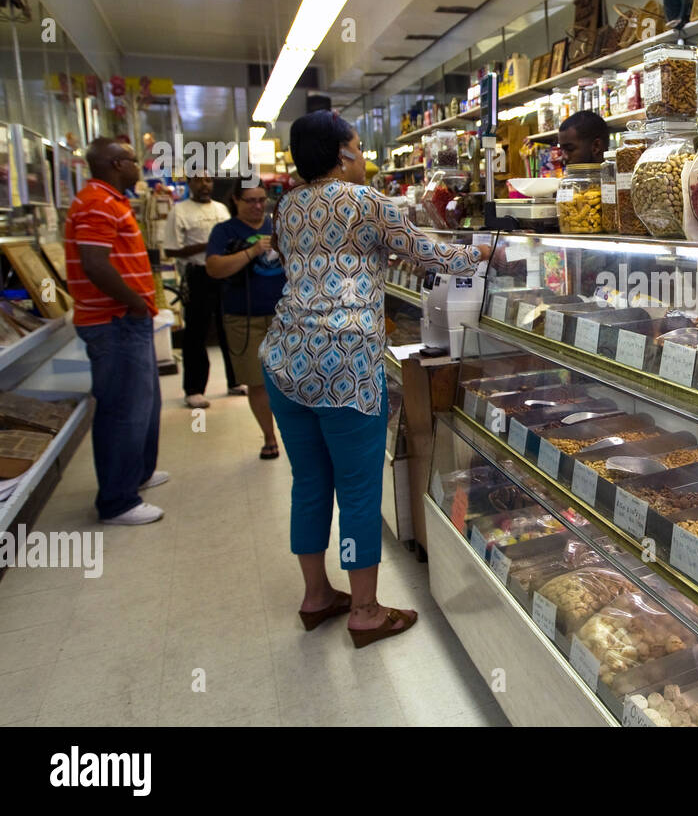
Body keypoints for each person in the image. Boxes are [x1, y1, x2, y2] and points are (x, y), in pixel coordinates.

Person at [261, 111, 491, 646]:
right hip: (343, 362)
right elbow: (428, 255)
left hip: (285, 358)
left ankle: (318, 595)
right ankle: (364, 609)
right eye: (359, 146)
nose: (363, 156)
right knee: (359, 490)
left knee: (310, 482)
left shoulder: (286, 206)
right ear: (342, 155)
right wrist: (480, 250)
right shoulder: (366, 202)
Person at [64, 137, 169, 525]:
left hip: (126, 321)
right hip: (115, 322)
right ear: (114, 164)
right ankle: (117, 500)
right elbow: (94, 263)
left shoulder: (111, 200)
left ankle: (137, 474)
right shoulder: (97, 202)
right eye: (131, 159)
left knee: (143, 404)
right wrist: (135, 302)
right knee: (123, 409)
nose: (138, 165)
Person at [205, 179, 286, 459]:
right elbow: (214, 268)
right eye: (250, 200)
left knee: (289, 379)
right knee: (257, 380)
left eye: (262, 199)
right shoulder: (224, 231)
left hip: (285, 316)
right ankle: (268, 435)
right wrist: (252, 251)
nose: (258, 206)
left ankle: (293, 433)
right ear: (236, 201)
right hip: (244, 316)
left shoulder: (278, 226)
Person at [163, 171, 243, 408]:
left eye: (208, 180)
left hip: (225, 273)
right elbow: (171, 250)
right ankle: (194, 389)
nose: (204, 185)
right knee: (195, 334)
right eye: (198, 180)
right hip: (197, 274)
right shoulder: (180, 211)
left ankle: (235, 380)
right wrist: (209, 245)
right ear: (190, 184)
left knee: (229, 327)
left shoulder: (221, 210)